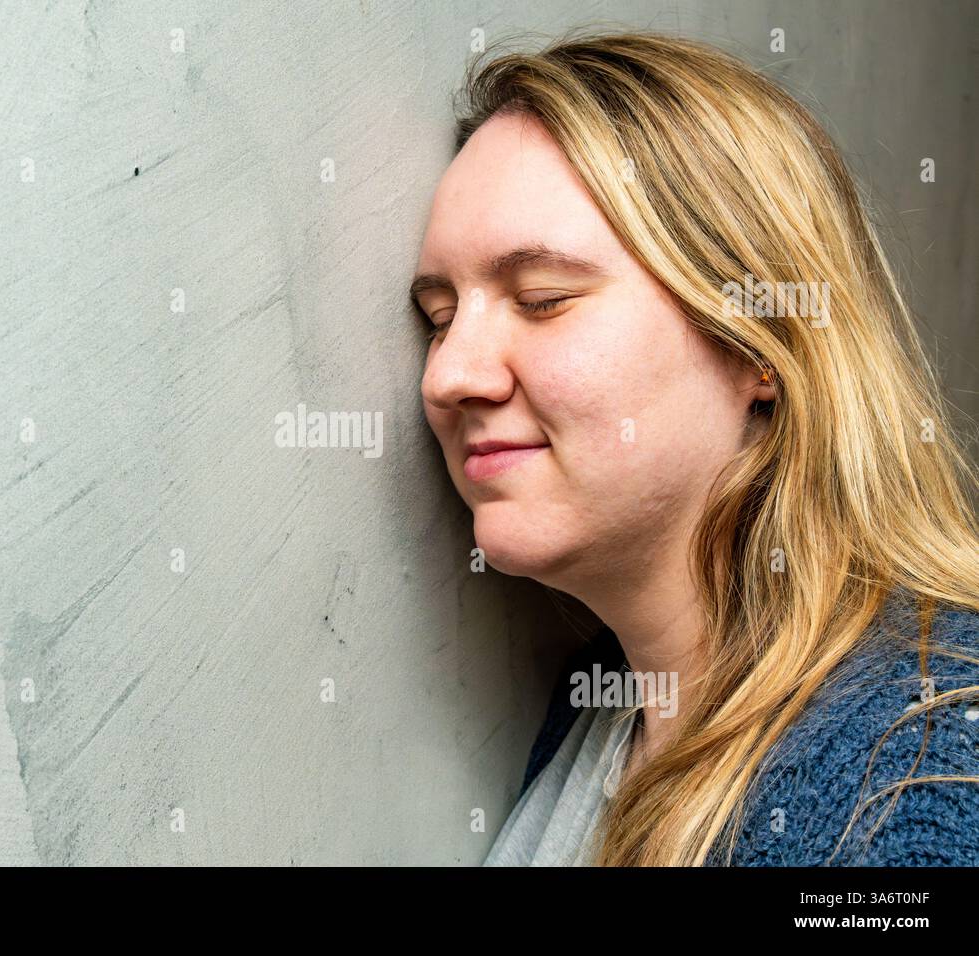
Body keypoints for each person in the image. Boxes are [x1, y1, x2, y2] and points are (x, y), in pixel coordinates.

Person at [409, 31, 979, 866]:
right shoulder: (602, 702)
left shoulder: (924, 783)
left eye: (543, 298)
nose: (448, 375)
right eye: (439, 317)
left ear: (758, 343)